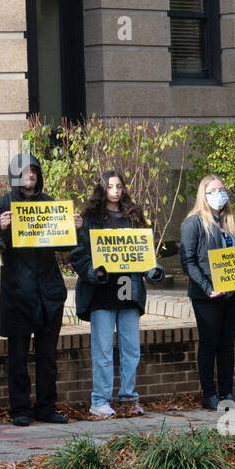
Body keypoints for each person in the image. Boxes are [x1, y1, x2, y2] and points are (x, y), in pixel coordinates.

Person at [0, 152, 78, 426]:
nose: (31, 175)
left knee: (47, 356)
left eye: (35, 171)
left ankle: (46, 406)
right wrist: (0, 229)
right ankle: (20, 409)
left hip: (48, 292)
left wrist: (73, 229)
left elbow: (63, 245)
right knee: (17, 356)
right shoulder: (3, 205)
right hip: (17, 293)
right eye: (26, 171)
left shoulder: (49, 203)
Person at [71, 171, 165, 418]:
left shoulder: (133, 216)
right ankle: (100, 400)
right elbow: (78, 255)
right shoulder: (89, 218)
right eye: (110, 186)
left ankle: (128, 398)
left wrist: (153, 271)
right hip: (102, 293)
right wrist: (93, 272)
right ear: (102, 189)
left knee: (131, 349)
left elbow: (144, 254)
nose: (115, 190)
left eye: (119, 186)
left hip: (129, 292)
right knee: (102, 350)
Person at [180, 174, 235, 410]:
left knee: (227, 344)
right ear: (203, 195)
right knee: (209, 344)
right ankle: (209, 394)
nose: (219, 195)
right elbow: (188, 261)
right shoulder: (193, 223)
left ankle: (227, 392)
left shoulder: (229, 223)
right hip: (207, 295)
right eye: (213, 191)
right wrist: (208, 287)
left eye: (222, 190)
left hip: (232, 294)